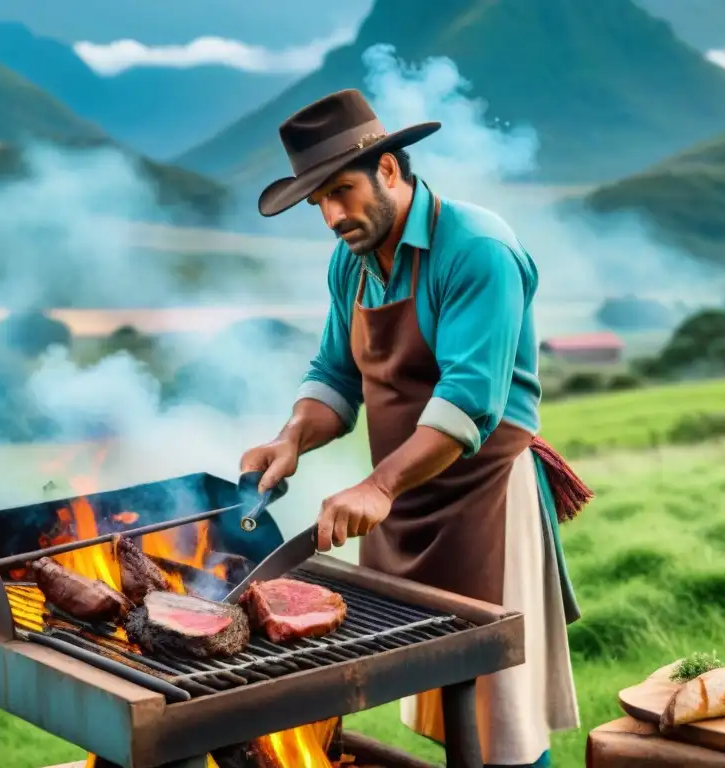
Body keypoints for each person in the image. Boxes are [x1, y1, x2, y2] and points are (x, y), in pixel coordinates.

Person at [240, 89, 591, 768]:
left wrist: (378, 484)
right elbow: (334, 379)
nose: (334, 216)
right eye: (320, 204)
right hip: (403, 503)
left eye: (343, 191)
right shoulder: (352, 260)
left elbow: (468, 402)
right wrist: (291, 439)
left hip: (487, 498)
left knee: (503, 719)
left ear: (391, 171)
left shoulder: (478, 250)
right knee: (446, 702)